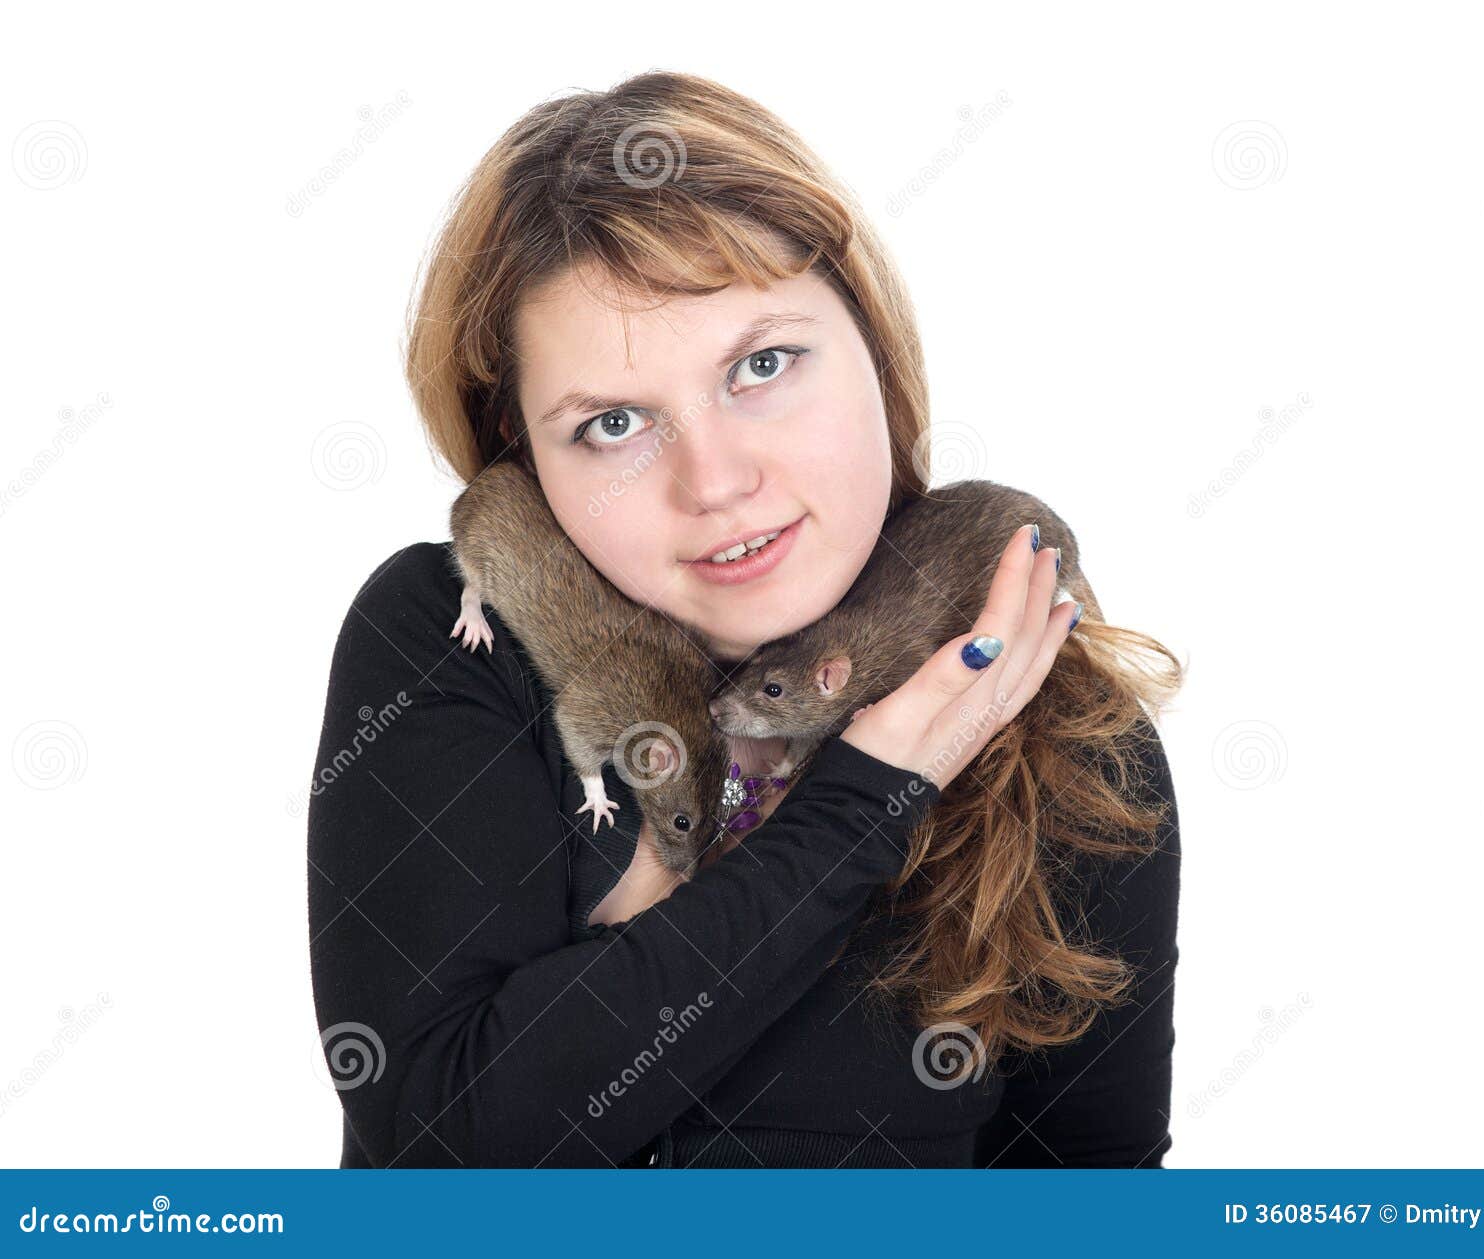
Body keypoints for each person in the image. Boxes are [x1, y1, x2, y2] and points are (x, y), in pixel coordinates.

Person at [308, 70, 1183, 1168]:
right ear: (522, 453)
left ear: (874, 348)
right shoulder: (447, 641)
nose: (715, 481)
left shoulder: (1062, 735)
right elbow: (443, 1154)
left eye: (761, 366)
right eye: (614, 423)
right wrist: (862, 802)